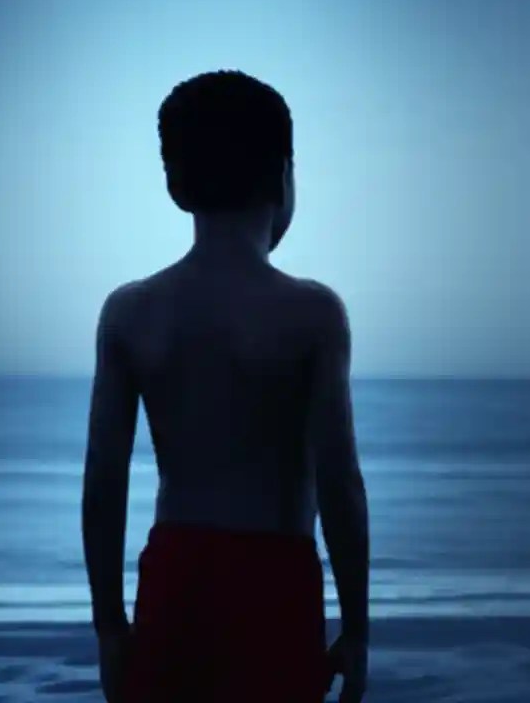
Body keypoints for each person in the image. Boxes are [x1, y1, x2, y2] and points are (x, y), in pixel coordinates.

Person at [81, 70, 369, 702]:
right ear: (283, 175)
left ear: (175, 183)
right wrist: (356, 627)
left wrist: (109, 627)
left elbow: (105, 478)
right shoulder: (312, 313)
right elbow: (339, 480)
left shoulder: (132, 312)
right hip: (276, 580)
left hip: (176, 576)